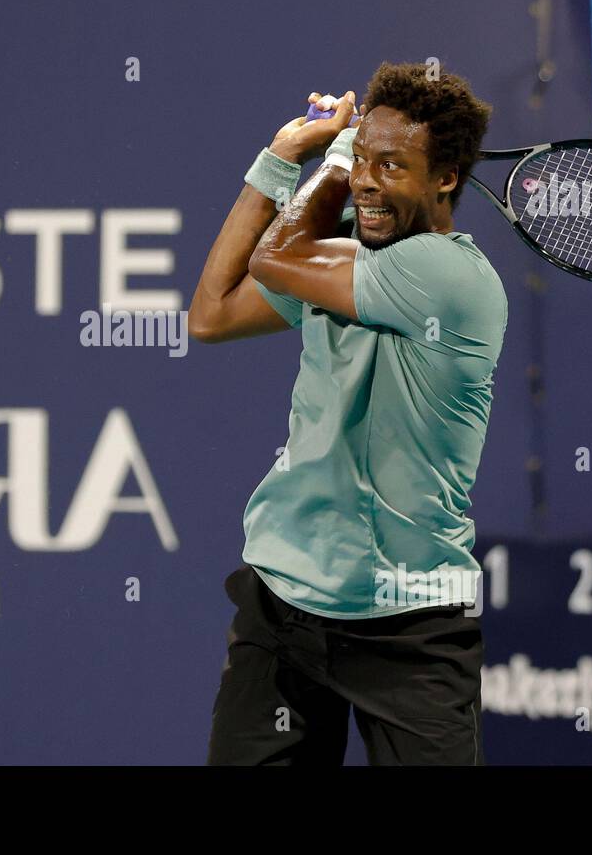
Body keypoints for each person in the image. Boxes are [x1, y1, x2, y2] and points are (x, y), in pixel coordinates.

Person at [188, 62, 507, 765]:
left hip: (410, 622)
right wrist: (279, 156)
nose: (366, 180)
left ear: (445, 179)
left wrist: (328, 159)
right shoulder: (341, 254)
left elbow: (275, 256)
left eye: (390, 166)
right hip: (283, 605)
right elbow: (210, 316)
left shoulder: (446, 275)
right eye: (362, 159)